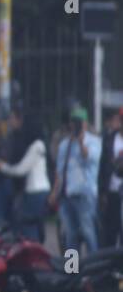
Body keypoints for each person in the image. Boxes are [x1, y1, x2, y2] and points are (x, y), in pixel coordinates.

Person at [50, 106, 102, 256]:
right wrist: (54, 193)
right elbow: (59, 171)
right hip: (67, 195)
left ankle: (94, 268)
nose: (76, 125)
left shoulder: (94, 141)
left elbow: (90, 158)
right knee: (70, 236)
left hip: (84, 195)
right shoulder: (64, 145)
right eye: (74, 122)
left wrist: (81, 142)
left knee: (88, 232)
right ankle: (72, 271)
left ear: (85, 123)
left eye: (79, 122)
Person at [0, 110, 50, 242]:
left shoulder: (37, 146)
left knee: (29, 227)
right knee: (30, 226)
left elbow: (21, 169)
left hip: (36, 190)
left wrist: (3, 167)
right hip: (34, 190)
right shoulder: (35, 146)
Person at [98, 108, 123, 250]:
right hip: (112, 190)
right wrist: (103, 192)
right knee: (110, 233)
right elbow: (103, 167)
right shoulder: (109, 139)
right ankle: (109, 267)